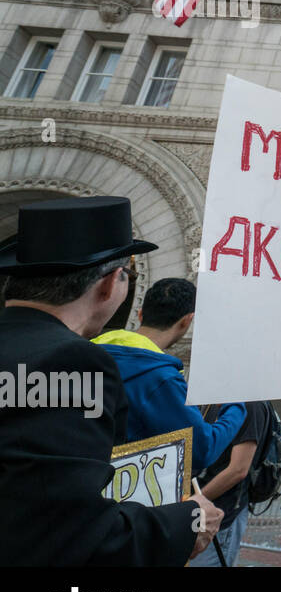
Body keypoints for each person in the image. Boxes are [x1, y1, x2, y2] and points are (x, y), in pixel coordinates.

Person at [0, 196, 221, 565]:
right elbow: (71, 535)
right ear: (108, 285)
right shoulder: (73, 362)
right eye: (128, 276)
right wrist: (188, 521)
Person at [93, 278, 246, 472]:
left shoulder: (87, 352)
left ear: (140, 314)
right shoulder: (160, 379)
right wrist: (236, 405)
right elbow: (199, 451)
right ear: (187, 321)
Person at [190, 400, 274, 567]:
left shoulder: (251, 403)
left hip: (223, 515)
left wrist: (194, 501)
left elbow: (238, 470)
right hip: (201, 508)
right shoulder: (214, 400)